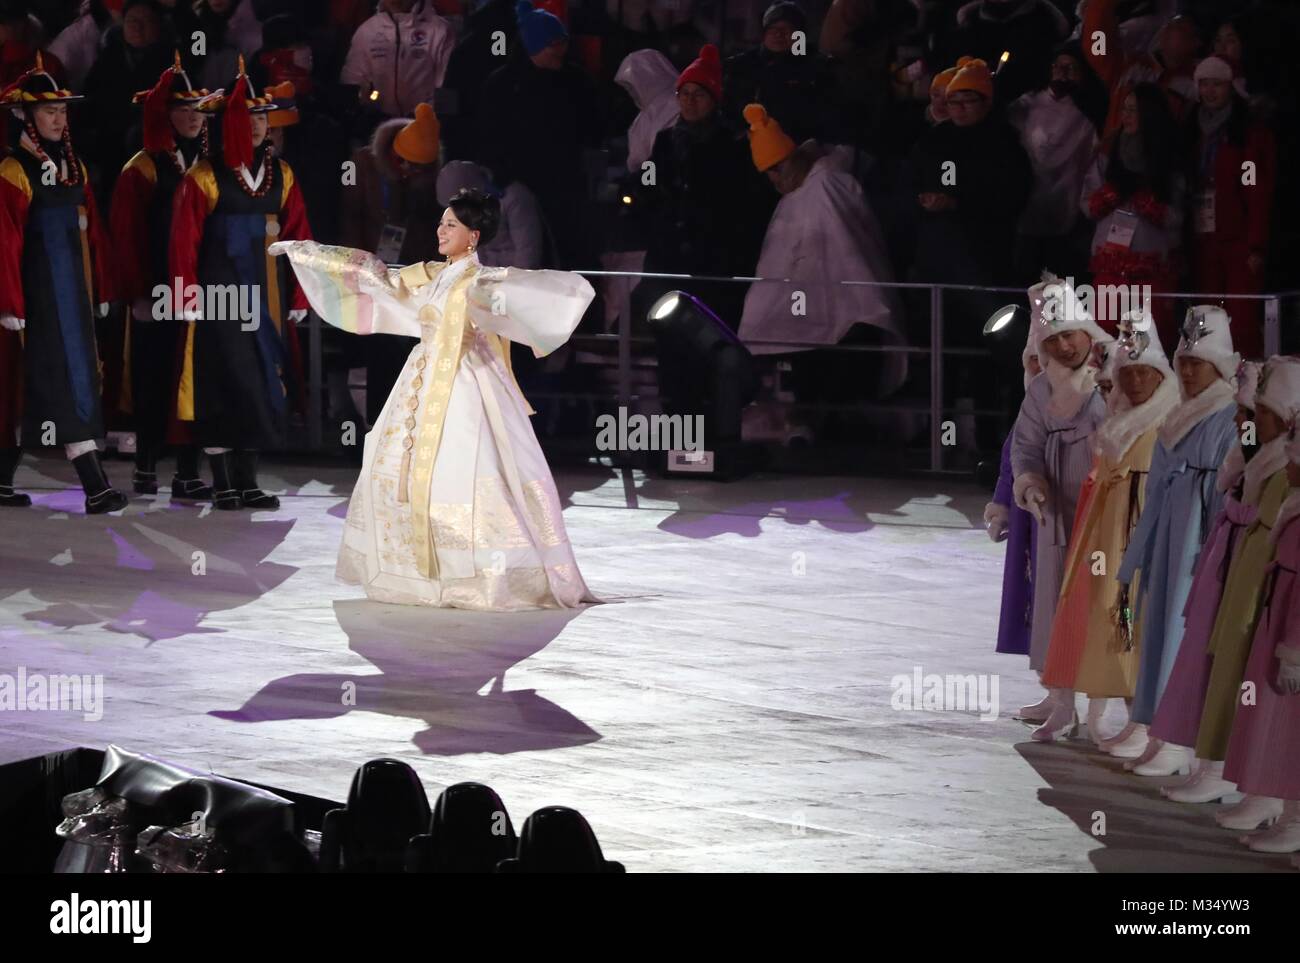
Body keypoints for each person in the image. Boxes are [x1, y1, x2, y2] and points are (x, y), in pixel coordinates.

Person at [271, 188, 598, 611]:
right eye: (441, 223)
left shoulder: (480, 281)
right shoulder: (429, 274)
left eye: (450, 225)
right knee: (397, 469)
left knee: (469, 470)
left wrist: (548, 292)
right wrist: (308, 253)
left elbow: (531, 296)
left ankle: (480, 574)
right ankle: (414, 573)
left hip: (468, 382)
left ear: (473, 236)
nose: (440, 230)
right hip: (421, 380)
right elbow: (375, 276)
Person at [169, 56, 312, 510]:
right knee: (222, 383)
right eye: (245, 117)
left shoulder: (281, 175)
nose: (256, 126)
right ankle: (223, 482)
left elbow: (299, 240)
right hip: (218, 299)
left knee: (261, 383)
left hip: (265, 297)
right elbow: (183, 243)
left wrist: (299, 294)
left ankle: (248, 481)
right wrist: (185, 294)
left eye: (261, 117)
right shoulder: (203, 177)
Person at [1034, 310, 1180, 741]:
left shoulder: (1169, 423)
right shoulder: (1114, 424)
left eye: (1144, 373)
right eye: (1127, 373)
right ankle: (1083, 710)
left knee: (1128, 622)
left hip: (1139, 537)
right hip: (1102, 535)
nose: (1135, 382)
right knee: (1094, 616)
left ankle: (1142, 720)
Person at [1111, 305, 1239, 772]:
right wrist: (1136, 560)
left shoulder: (1228, 417)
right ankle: (1156, 729)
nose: (1186, 372)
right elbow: (1157, 493)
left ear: (1219, 366)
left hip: (1198, 540)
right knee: (1156, 630)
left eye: (1196, 364)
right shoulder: (1177, 419)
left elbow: (1231, 486)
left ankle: (1179, 741)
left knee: (1182, 639)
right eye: (1183, 363)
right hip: (1169, 537)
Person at [1166, 355, 1297, 804]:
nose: (1248, 421)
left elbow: (1264, 519)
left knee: (1247, 683)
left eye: (1259, 413)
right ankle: (1215, 764)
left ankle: (1247, 784)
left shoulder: (1281, 468)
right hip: (1238, 575)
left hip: (1257, 586)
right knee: (1221, 672)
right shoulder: (1254, 456)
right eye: (1248, 413)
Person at [0, 52, 123, 514]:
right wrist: (9, 303)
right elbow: (3, 245)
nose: (57, 118)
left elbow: (96, 237)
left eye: (62, 110)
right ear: (25, 117)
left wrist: (104, 288)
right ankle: (95, 486)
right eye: (48, 110)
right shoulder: (14, 172)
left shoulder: (77, 170)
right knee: (56, 385)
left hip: (74, 298)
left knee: (43, 388)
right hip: (36, 302)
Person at [109, 51, 213, 500]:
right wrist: (137, 294)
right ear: (165, 114)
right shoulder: (142, 168)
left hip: (202, 290)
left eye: (197, 110)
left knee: (192, 378)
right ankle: (146, 467)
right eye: (183, 110)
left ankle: (189, 473)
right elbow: (125, 236)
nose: (192, 117)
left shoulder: (210, 165)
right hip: (157, 291)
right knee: (153, 378)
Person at [1010, 278, 1110, 722]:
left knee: (1099, 598)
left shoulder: (1111, 379)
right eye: (1054, 338)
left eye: (1070, 334)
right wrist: (1029, 482)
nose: (1065, 345)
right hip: (1055, 510)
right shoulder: (1040, 389)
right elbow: (1025, 444)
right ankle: (1059, 694)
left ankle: (1100, 702)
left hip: (1100, 505)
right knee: (1053, 599)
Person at [1221, 423, 1300, 852]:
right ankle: (1273, 802)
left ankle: (1292, 815)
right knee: (1270, 720)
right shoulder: (1293, 503)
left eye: (1293, 459)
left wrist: (1294, 650)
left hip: (1291, 630)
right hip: (1279, 616)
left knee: (1290, 732)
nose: (1286, 465)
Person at [1183, 55, 1275, 359]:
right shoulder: (1190, 127)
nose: (1210, 91)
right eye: (1204, 84)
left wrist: (1255, 245)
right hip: (1201, 237)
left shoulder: (1247, 132)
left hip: (1238, 240)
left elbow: (1257, 190)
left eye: (1217, 84)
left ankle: (1248, 389)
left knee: (1242, 320)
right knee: (1205, 315)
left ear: (1230, 87)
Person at [1080, 82, 1184, 343]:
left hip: (1151, 270)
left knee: (1149, 343)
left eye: (1133, 111)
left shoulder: (1170, 159)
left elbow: (1178, 217)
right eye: (1124, 109)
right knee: (1102, 337)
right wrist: (1111, 195)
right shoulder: (1106, 155)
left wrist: (1146, 203)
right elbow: (1086, 204)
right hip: (1109, 265)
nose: (1125, 116)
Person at [984, 282, 1045, 657]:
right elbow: (1012, 459)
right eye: (1031, 360)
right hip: (1029, 518)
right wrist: (1002, 502)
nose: (1037, 367)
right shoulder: (1028, 410)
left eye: (1044, 357)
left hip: (1061, 512)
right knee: (1033, 597)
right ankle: (1053, 690)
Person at [340, 0, 454, 121]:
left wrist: (434, 123)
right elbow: (352, 83)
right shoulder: (367, 31)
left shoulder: (441, 30)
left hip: (425, 125)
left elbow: (447, 87)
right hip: (378, 126)